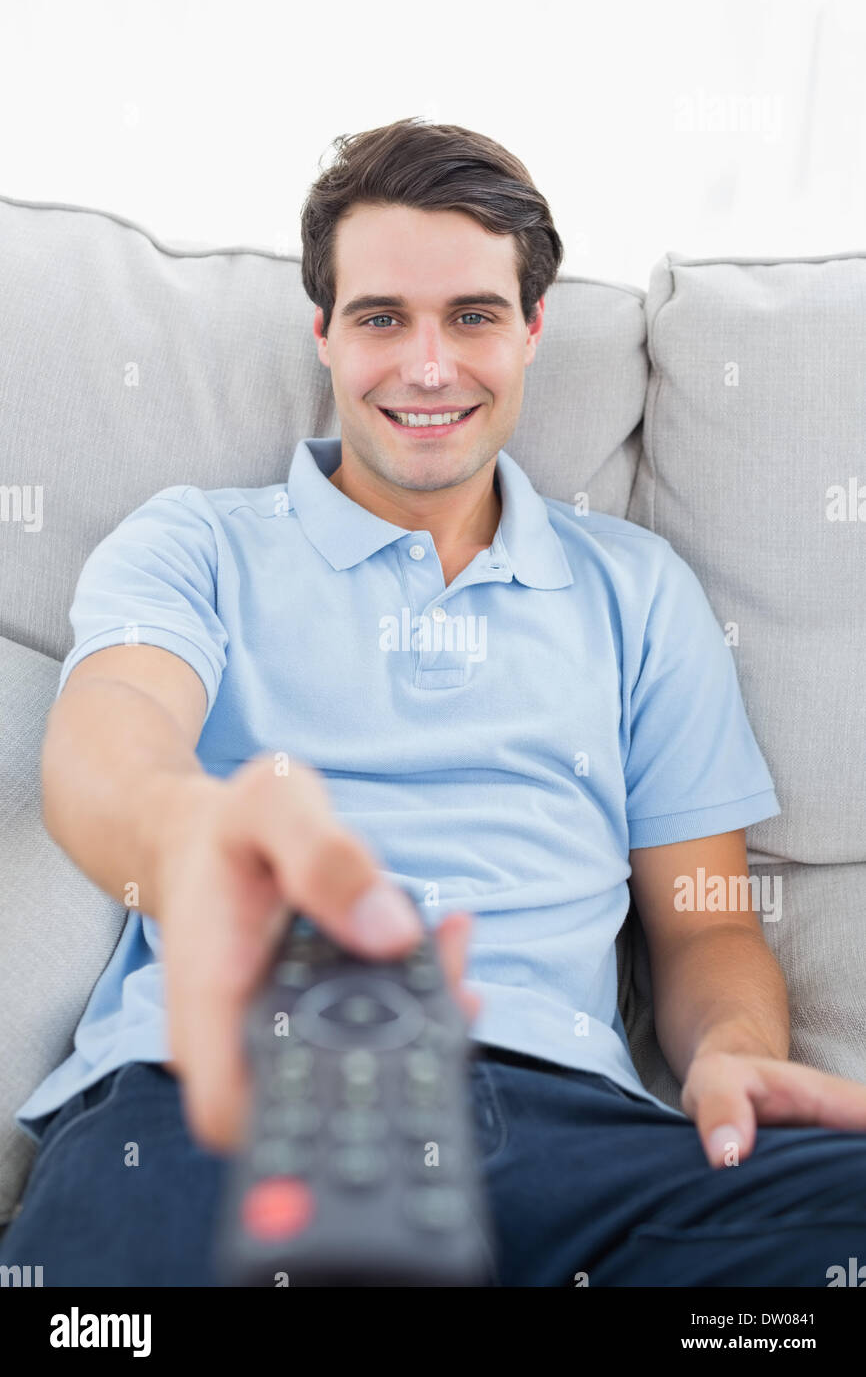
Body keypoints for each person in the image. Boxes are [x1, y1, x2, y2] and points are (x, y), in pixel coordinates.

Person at [3, 117, 865, 1288]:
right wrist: (188, 834)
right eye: (379, 318)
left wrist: (730, 1053)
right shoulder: (194, 542)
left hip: (573, 1137)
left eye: (470, 316)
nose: (425, 365)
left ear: (530, 330)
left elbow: (705, 921)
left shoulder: (638, 592)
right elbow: (107, 749)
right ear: (321, 333)